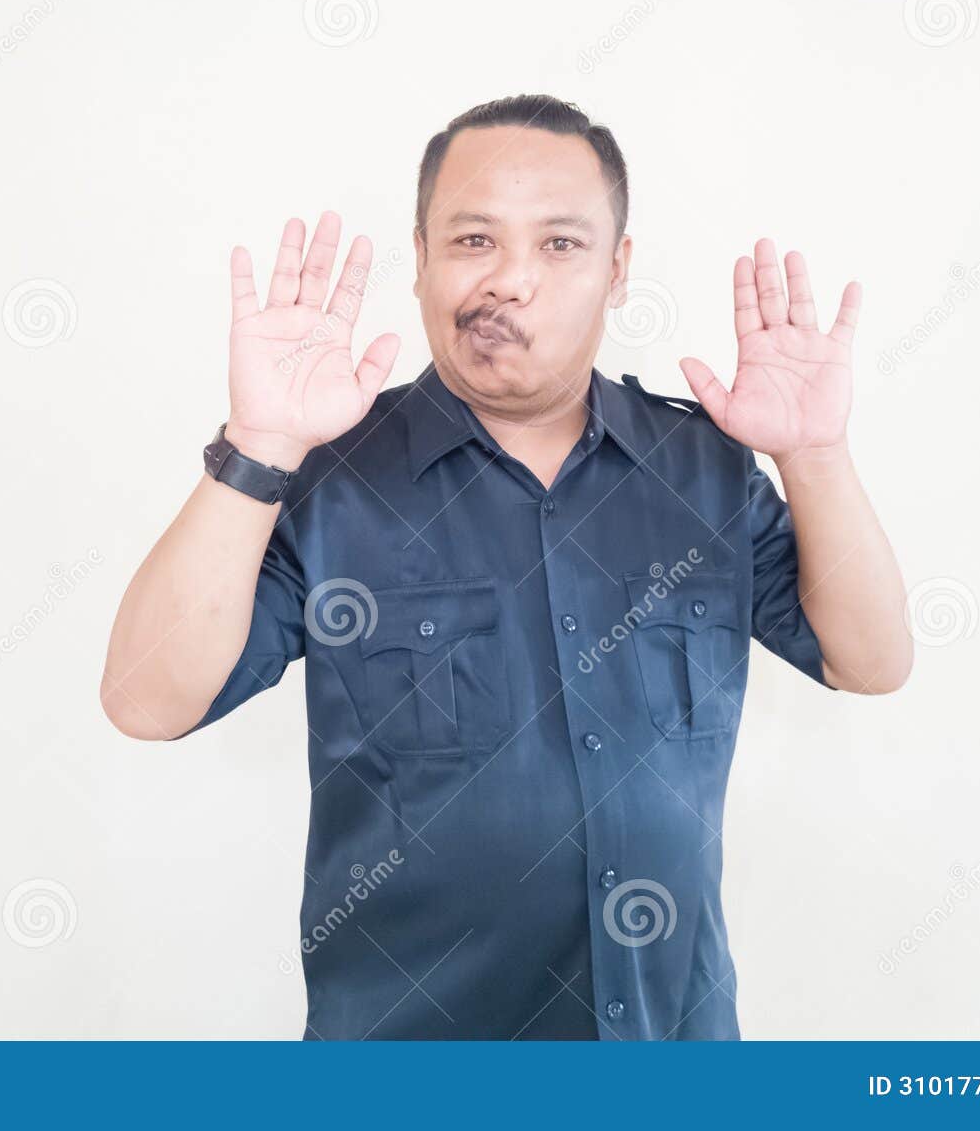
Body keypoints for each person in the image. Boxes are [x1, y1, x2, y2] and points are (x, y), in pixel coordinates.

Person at [100, 94, 913, 1039]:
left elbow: (873, 659)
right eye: (474, 240)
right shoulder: (327, 481)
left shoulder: (705, 469)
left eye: (560, 245)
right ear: (421, 261)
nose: (511, 280)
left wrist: (814, 457)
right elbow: (145, 700)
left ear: (619, 271)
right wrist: (260, 443)